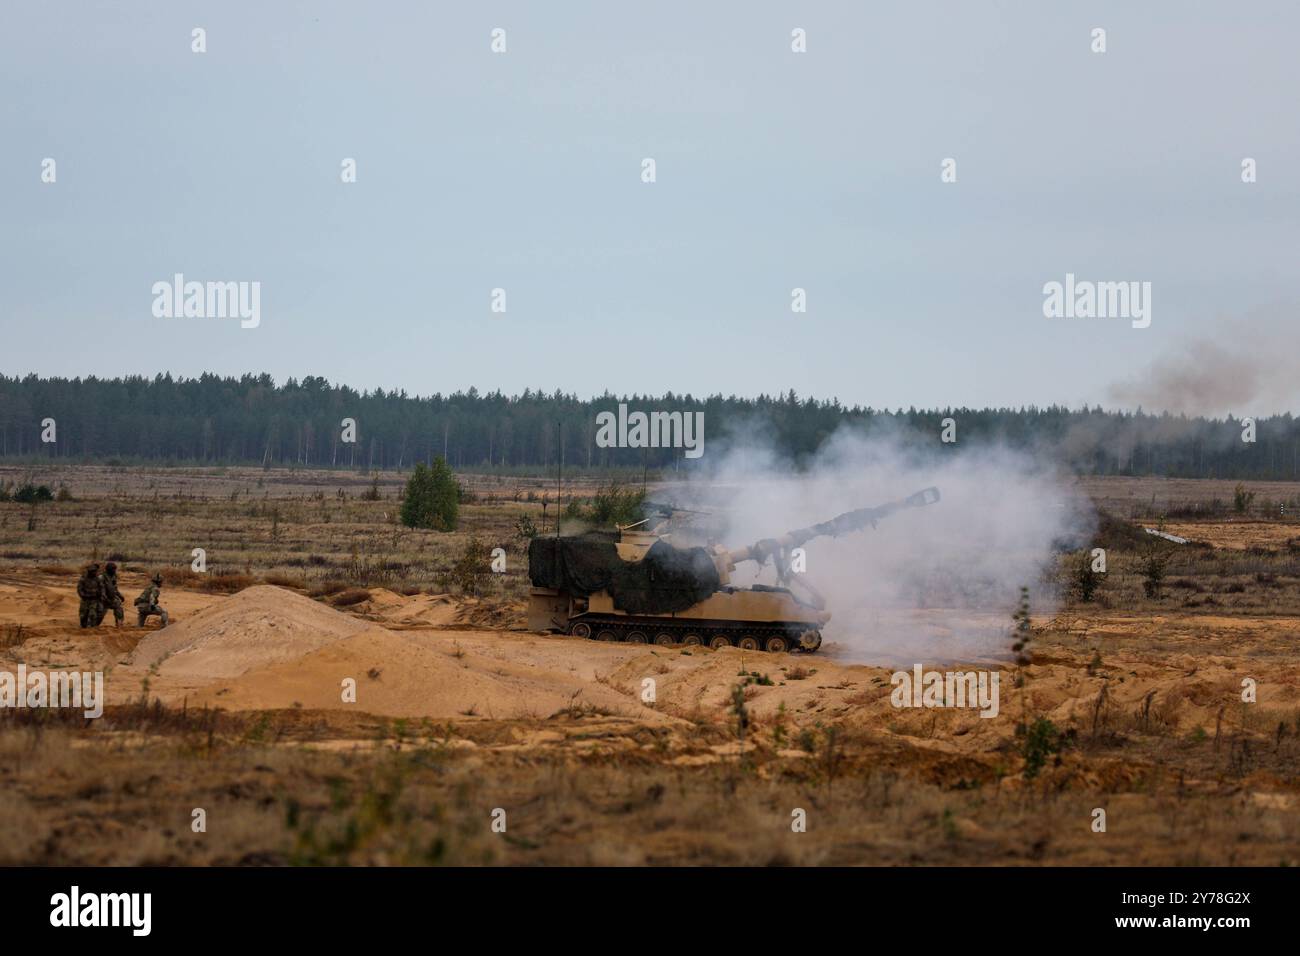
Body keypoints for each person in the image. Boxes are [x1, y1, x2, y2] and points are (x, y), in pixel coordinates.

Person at [76, 563, 104, 628]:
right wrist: (83, 595)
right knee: (83, 615)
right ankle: (83, 626)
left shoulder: (98, 579)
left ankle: (92, 627)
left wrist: (101, 595)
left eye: (95, 571)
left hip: (94, 599)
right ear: (89, 572)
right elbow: (79, 589)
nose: (94, 573)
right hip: (85, 599)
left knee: (92, 614)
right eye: (92, 572)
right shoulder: (83, 578)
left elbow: (102, 587)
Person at [99, 561, 125, 626]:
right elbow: (100, 590)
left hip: (111, 598)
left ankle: (119, 623)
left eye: (115, 569)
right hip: (101, 600)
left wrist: (120, 595)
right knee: (99, 614)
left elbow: (114, 588)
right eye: (113, 569)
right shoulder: (101, 578)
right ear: (108, 569)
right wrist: (105, 599)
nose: (114, 570)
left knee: (118, 607)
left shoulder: (113, 577)